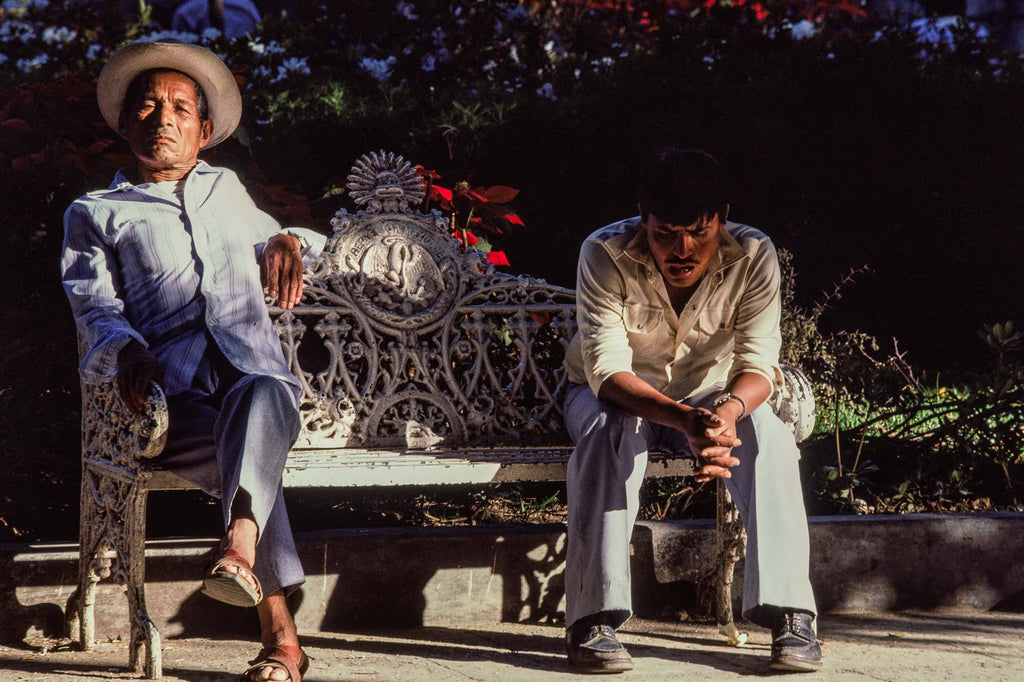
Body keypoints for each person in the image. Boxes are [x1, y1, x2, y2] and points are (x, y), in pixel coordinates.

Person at [61, 40, 325, 682]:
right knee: (253, 461)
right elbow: (93, 305)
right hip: (173, 403)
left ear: (204, 130)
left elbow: (299, 241)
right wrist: (124, 350)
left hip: (252, 380)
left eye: (181, 106)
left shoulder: (226, 189)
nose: (163, 117)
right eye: (147, 106)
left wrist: (290, 238)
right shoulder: (96, 213)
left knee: (263, 392)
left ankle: (242, 553)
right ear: (127, 126)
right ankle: (278, 631)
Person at [560, 147, 821, 674]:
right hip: (614, 394)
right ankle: (594, 620)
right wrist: (682, 420)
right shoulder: (603, 252)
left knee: (768, 435)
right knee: (609, 433)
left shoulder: (754, 254)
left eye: (699, 232)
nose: (683, 249)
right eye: (666, 233)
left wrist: (724, 415)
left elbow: (758, 363)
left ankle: (792, 613)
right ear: (643, 216)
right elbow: (607, 374)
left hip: (709, 396)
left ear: (723, 215)